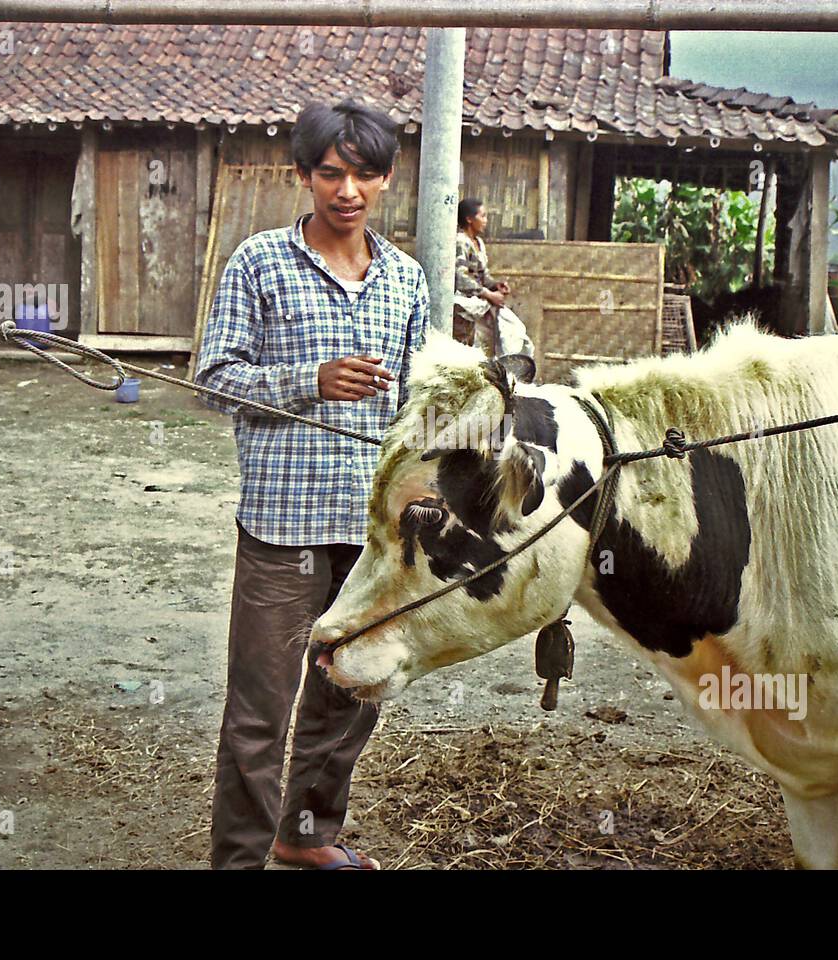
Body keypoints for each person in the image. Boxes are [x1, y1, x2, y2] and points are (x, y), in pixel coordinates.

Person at [194, 99, 429, 871]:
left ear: (388, 179)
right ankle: (238, 861)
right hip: (280, 530)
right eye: (330, 172)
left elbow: (410, 411)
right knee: (258, 712)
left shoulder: (405, 280)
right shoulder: (258, 262)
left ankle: (303, 835)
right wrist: (311, 381)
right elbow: (214, 380)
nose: (347, 189)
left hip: (367, 537)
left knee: (349, 694)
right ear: (303, 175)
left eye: (365, 173)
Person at [453, 197, 535, 358]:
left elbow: (483, 275)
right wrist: (488, 294)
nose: (485, 221)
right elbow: (459, 277)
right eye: (482, 216)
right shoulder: (461, 242)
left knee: (501, 336)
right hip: (464, 304)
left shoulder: (478, 243)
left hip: (478, 301)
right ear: (469, 219)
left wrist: (495, 286)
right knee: (468, 349)